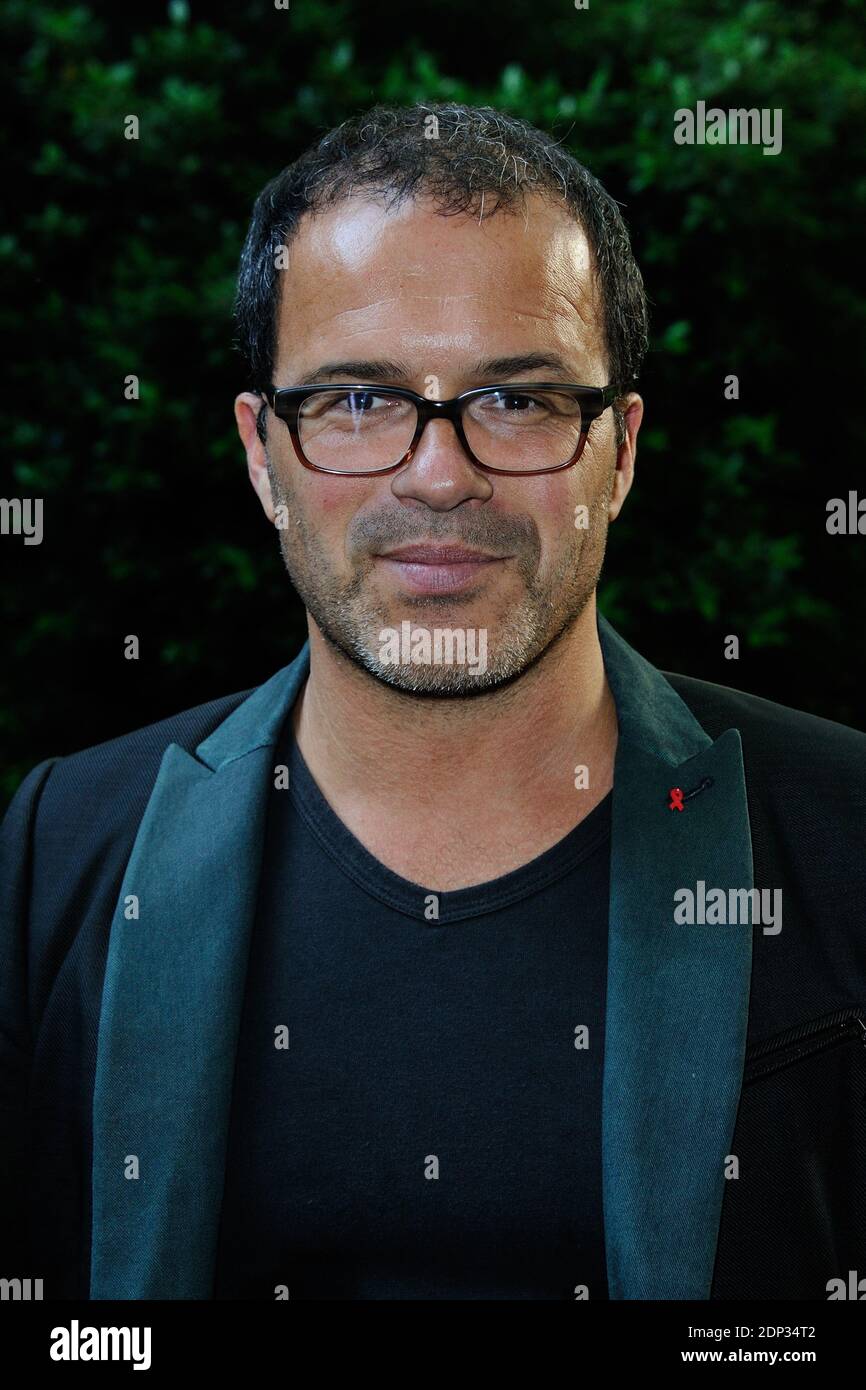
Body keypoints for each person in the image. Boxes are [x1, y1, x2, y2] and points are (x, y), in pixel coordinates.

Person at [2, 103, 865, 1303]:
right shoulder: (62, 850)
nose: (440, 473)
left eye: (515, 399)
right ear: (262, 454)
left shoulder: (842, 830)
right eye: (358, 401)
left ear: (618, 452)